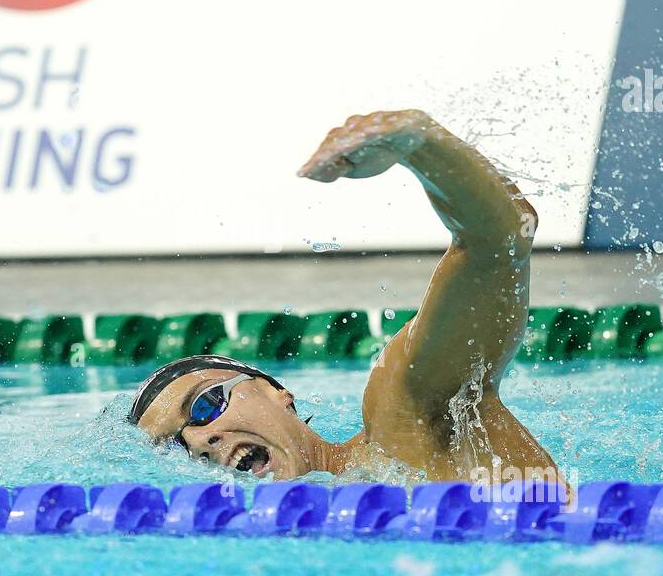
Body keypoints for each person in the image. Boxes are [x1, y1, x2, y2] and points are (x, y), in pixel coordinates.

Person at [127, 109, 558, 484]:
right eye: (173, 446)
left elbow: (500, 238)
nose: (199, 440)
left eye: (204, 405)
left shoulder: (406, 417)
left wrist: (420, 146)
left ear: (278, 394)